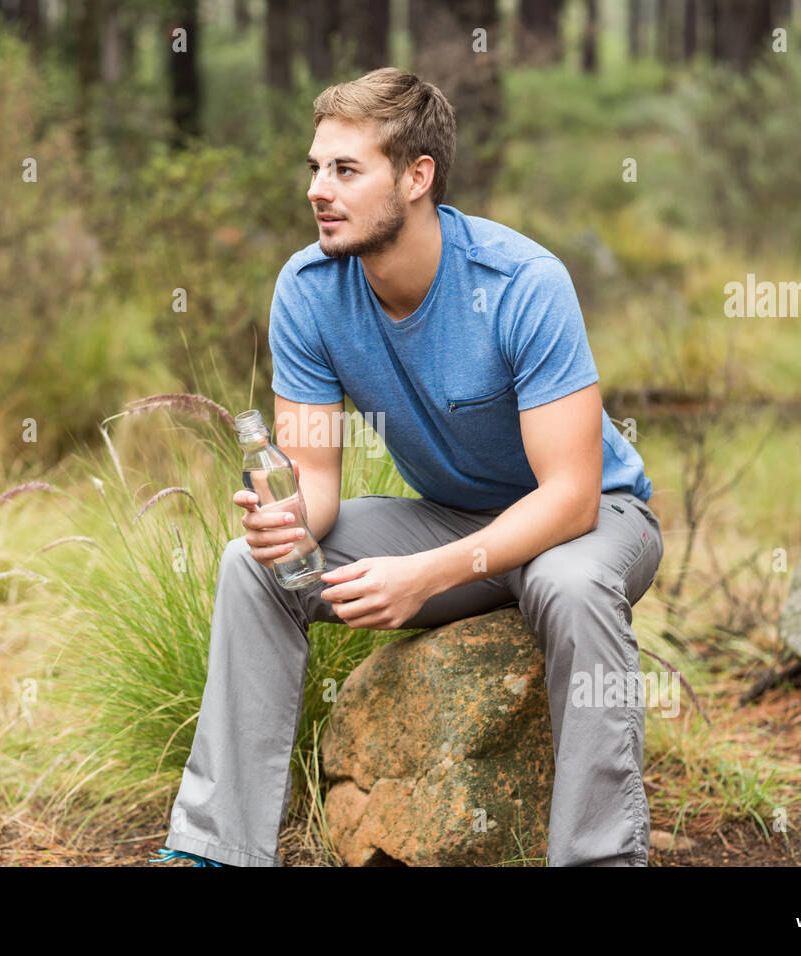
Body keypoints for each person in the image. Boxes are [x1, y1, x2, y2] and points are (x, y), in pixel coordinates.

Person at [151, 67, 662, 868]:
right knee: (252, 568)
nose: (319, 189)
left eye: (346, 170)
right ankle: (215, 850)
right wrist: (285, 520)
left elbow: (570, 496)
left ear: (417, 177)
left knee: (563, 582)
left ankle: (598, 859)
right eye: (315, 168)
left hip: (592, 521)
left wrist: (425, 575)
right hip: (456, 519)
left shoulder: (522, 282)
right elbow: (314, 484)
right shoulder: (309, 289)